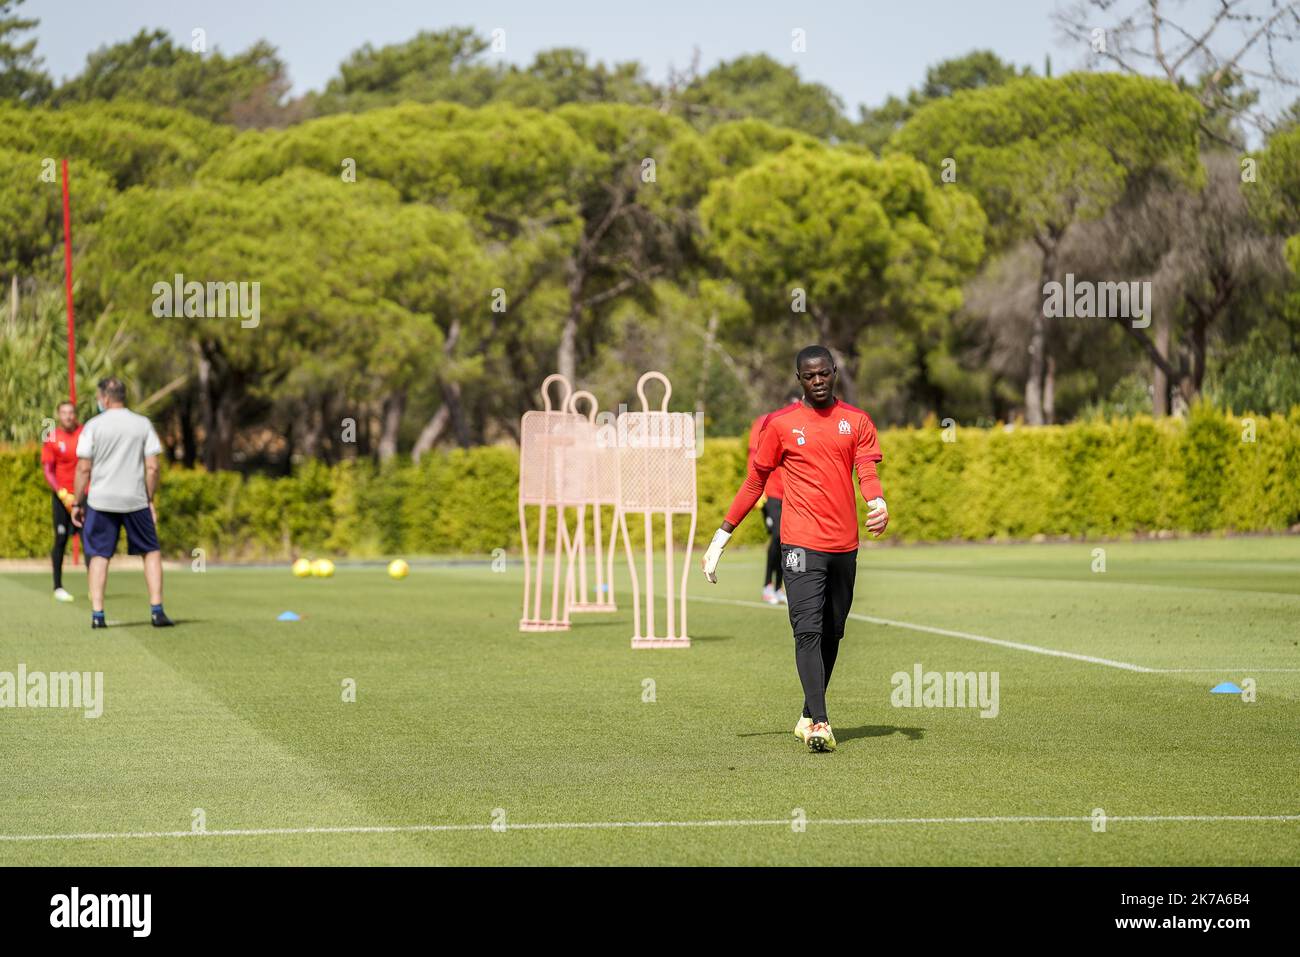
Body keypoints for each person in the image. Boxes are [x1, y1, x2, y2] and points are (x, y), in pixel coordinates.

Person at [702, 346, 889, 753]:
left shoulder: (856, 421)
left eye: (824, 374)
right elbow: (755, 483)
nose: (817, 381)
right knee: (807, 629)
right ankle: (821, 723)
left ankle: (807, 713)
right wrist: (721, 538)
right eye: (809, 376)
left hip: (844, 545)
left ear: (835, 372)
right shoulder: (780, 425)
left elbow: (867, 470)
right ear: (799, 379)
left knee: (832, 631)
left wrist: (877, 503)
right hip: (800, 544)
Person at [70, 377, 174, 629]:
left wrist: (77, 502)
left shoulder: (93, 426)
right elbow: (152, 467)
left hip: (101, 501)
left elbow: (84, 468)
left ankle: (98, 614)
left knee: (98, 555)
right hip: (135, 500)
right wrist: (148, 498)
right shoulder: (142, 424)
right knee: (150, 551)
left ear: (104, 398)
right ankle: (157, 611)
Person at [748, 397, 800, 605]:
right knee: (778, 536)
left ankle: (781, 586)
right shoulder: (764, 423)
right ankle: (767, 585)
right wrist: (756, 492)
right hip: (772, 492)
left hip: (795, 494)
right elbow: (753, 457)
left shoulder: (807, 425)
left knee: (793, 541)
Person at [41, 400, 83, 602]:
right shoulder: (51, 437)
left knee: (90, 541)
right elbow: (48, 470)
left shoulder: (84, 433)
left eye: (71, 412)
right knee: (60, 540)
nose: (68, 416)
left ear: (75, 414)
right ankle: (58, 587)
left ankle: (95, 586)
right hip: (62, 499)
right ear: (58, 415)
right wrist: (62, 493)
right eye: (64, 412)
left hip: (84, 497)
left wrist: (83, 493)